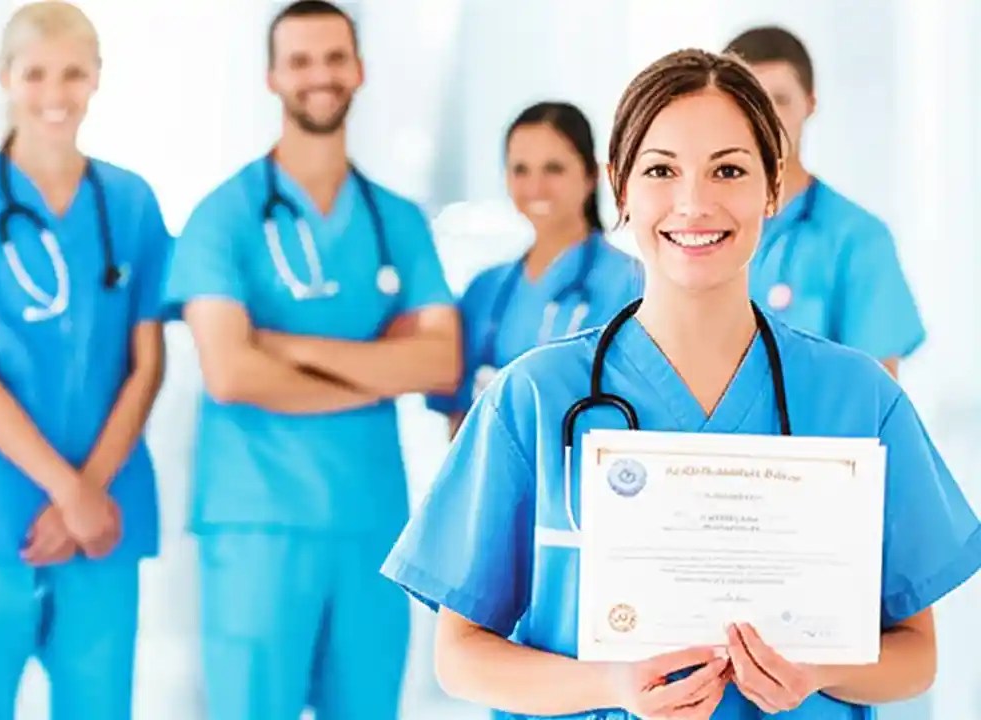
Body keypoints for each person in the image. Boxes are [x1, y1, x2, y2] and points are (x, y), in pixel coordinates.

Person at [381, 48, 981, 719]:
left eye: (729, 169)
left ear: (772, 186)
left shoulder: (858, 398)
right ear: (620, 189)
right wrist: (608, 687)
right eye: (661, 170)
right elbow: (460, 654)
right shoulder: (534, 399)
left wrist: (816, 671)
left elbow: (916, 656)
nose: (694, 203)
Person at [165, 1, 460, 718]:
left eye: (334, 58)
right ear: (272, 77)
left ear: (358, 70)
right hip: (256, 524)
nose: (319, 76)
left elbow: (441, 364)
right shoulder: (223, 216)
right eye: (300, 60)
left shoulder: (397, 221)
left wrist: (287, 346)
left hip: (370, 523)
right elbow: (231, 374)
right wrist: (375, 369)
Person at [0, 3, 170, 718]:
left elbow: (147, 366)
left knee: (98, 704)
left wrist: (89, 492)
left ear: (97, 79)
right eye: (36, 73)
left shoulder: (132, 202)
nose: (55, 93)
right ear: (5, 77)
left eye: (74, 73)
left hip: (104, 514)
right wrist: (71, 492)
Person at [426, 102, 642, 435]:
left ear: (591, 176)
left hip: (586, 478)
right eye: (520, 170)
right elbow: (459, 419)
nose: (535, 187)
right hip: (496, 478)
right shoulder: (484, 289)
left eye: (553, 169)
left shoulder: (634, 284)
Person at [725, 26, 923, 378]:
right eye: (750, 103)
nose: (765, 120)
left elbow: (873, 399)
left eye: (781, 100)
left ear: (810, 104)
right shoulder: (698, 229)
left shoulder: (859, 238)